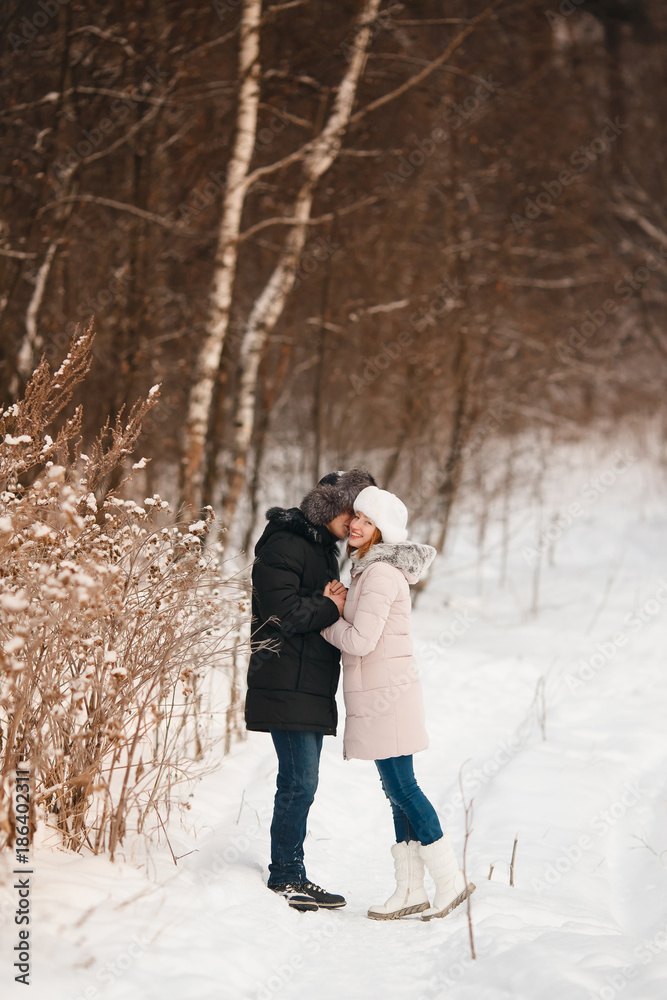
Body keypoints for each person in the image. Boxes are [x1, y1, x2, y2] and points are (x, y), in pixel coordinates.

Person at [321, 485, 476, 921]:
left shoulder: (381, 574)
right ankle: (409, 889)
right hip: (383, 693)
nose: (355, 524)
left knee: (403, 788)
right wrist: (344, 601)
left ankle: (448, 881)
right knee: (396, 791)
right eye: (356, 517)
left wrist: (325, 618)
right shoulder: (369, 572)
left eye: (367, 521)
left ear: (381, 531)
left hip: (385, 695)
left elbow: (360, 640)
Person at [246, 468, 376, 911]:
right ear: (331, 506)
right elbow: (279, 613)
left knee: (301, 782)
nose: (356, 522)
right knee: (299, 782)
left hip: (309, 682)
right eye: (352, 511)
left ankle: (290, 870)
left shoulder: (324, 550)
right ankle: (286, 875)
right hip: (285, 679)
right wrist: (330, 605)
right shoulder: (286, 542)